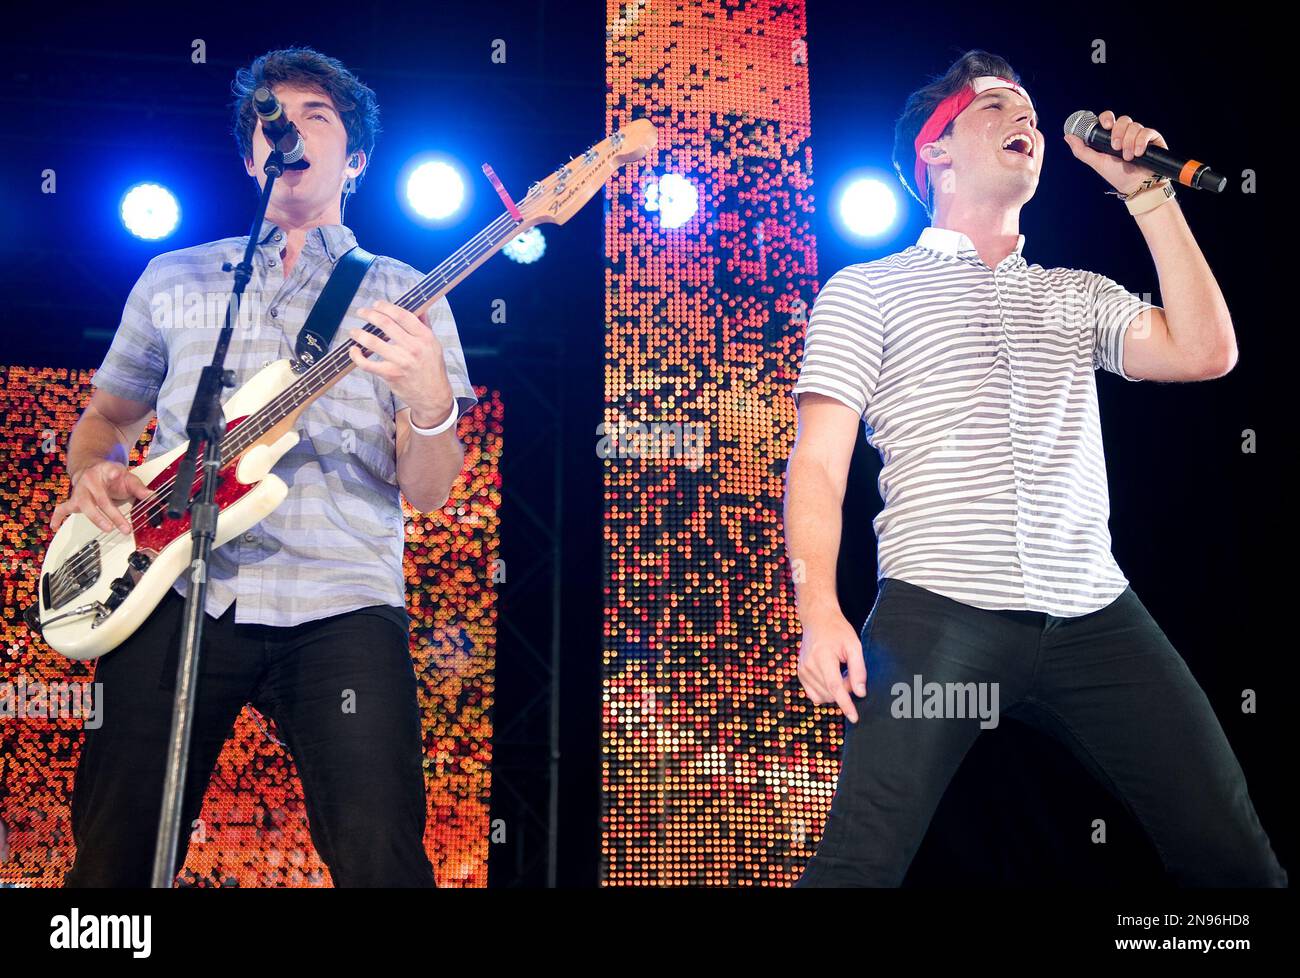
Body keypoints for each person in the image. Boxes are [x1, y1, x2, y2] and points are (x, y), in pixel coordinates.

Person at [785, 49, 1285, 886]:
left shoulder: (1074, 293)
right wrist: (819, 608)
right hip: (940, 629)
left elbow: (1206, 352)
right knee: (860, 866)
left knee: (1235, 862)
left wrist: (1146, 192)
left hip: (1097, 625)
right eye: (994, 107)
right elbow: (819, 468)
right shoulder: (866, 291)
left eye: (1031, 114)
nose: (1027, 122)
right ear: (935, 153)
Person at [54, 47, 476, 887]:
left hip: (341, 600)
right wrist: (90, 470)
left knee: (381, 855)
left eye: (316, 117)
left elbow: (428, 493)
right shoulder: (172, 276)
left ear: (354, 160)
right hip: (170, 587)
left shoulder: (404, 292)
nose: (289, 130)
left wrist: (430, 398)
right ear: (252, 155)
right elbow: (106, 419)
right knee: (112, 860)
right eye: (271, 119)